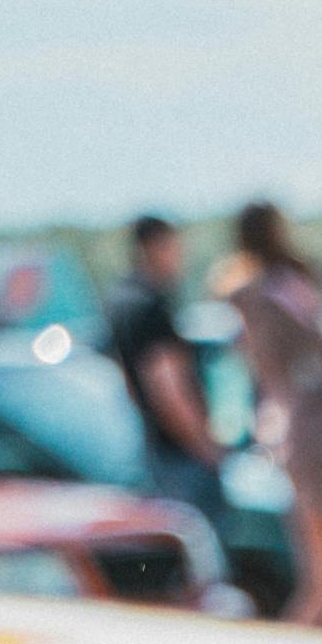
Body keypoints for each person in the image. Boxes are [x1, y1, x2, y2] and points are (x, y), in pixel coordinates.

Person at [223, 202, 322, 631]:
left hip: (285, 429)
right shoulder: (287, 289)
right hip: (315, 427)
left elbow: (258, 368)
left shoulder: (247, 296)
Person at [103, 215, 229, 579]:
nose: (179, 258)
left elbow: (128, 381)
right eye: (174, 247)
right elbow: (167, 385)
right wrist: (205, 446)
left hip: (155, 450)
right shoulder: (150, 305)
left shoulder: (120, 300)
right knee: (205, 571)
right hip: (180, 455)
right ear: (153, 247)